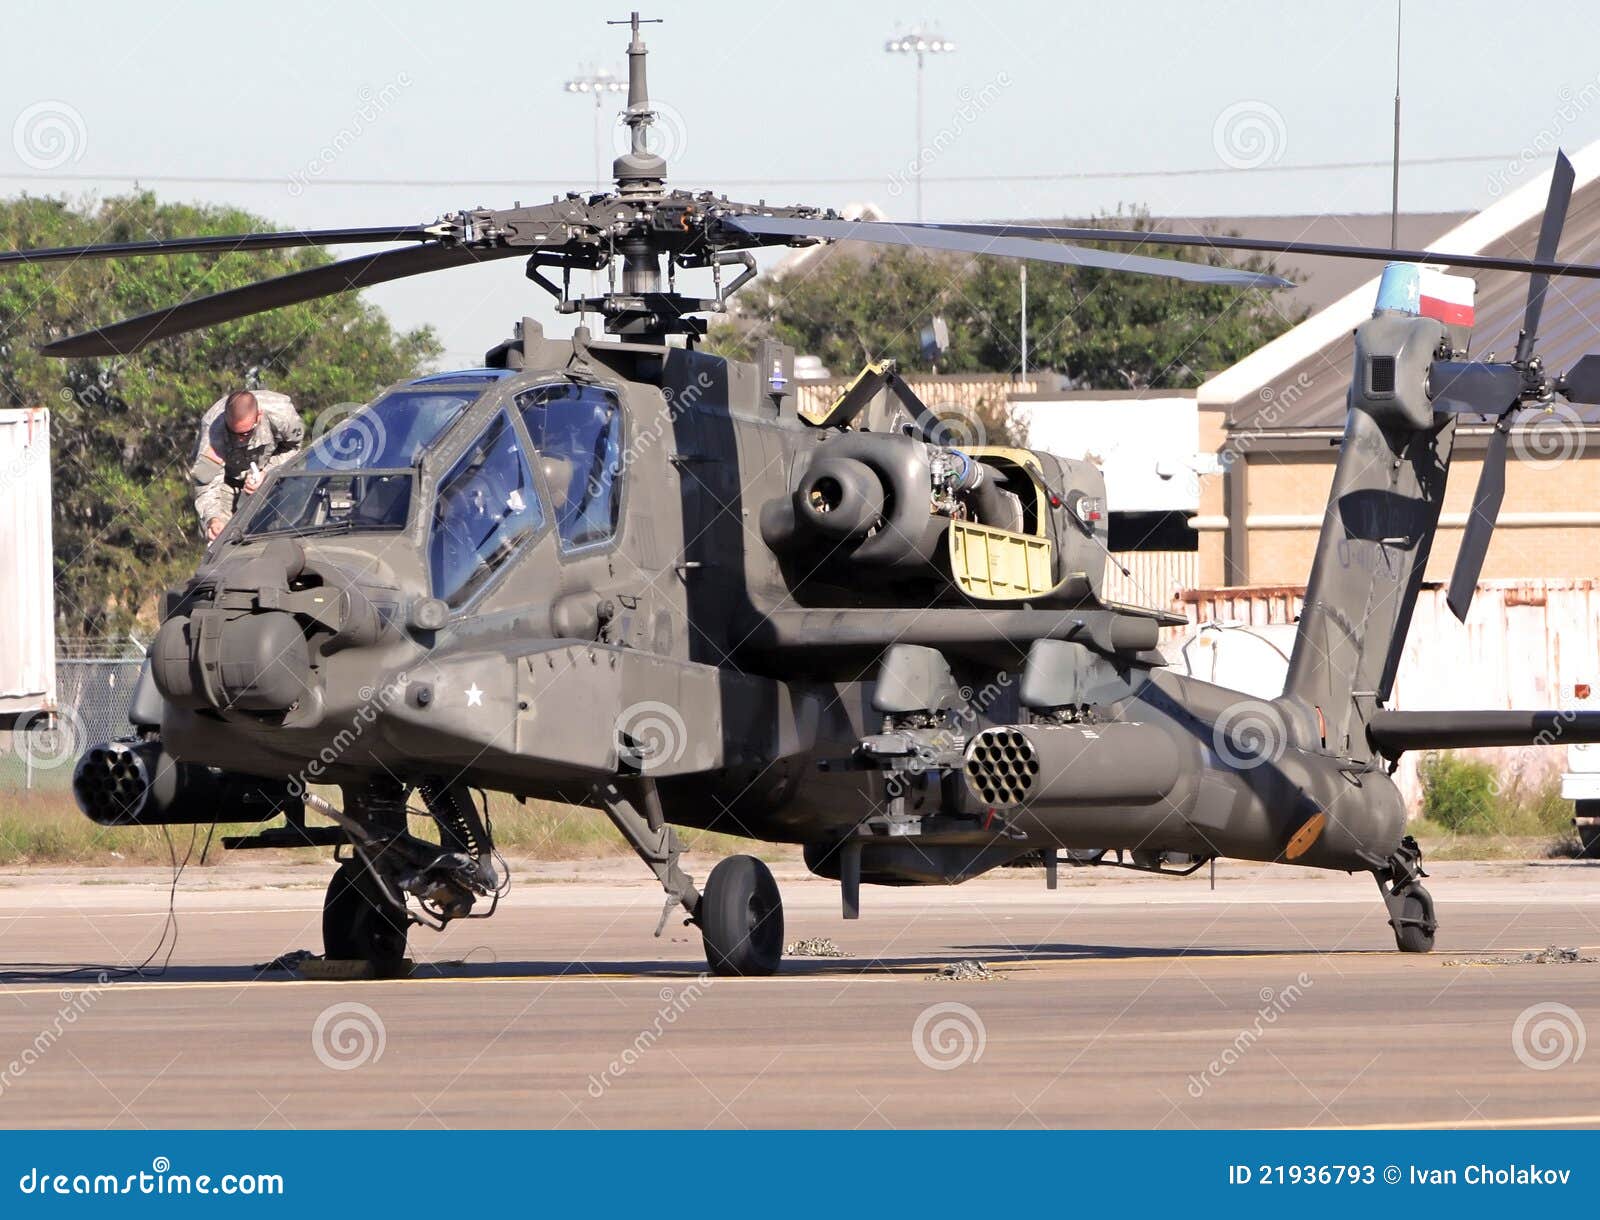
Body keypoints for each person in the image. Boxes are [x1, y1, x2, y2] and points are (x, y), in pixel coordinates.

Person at [192, 389, 303, 540]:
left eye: (245, 433)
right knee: (222, 540)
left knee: (284, 534)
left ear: (259, 416)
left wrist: (268, 474)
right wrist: (213, 519)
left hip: (275, 478)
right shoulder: (214, 429)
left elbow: (295, 450)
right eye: (234, 433)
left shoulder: (282, 414)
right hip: (228, 484)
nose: (240, 440)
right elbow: (205, 482)